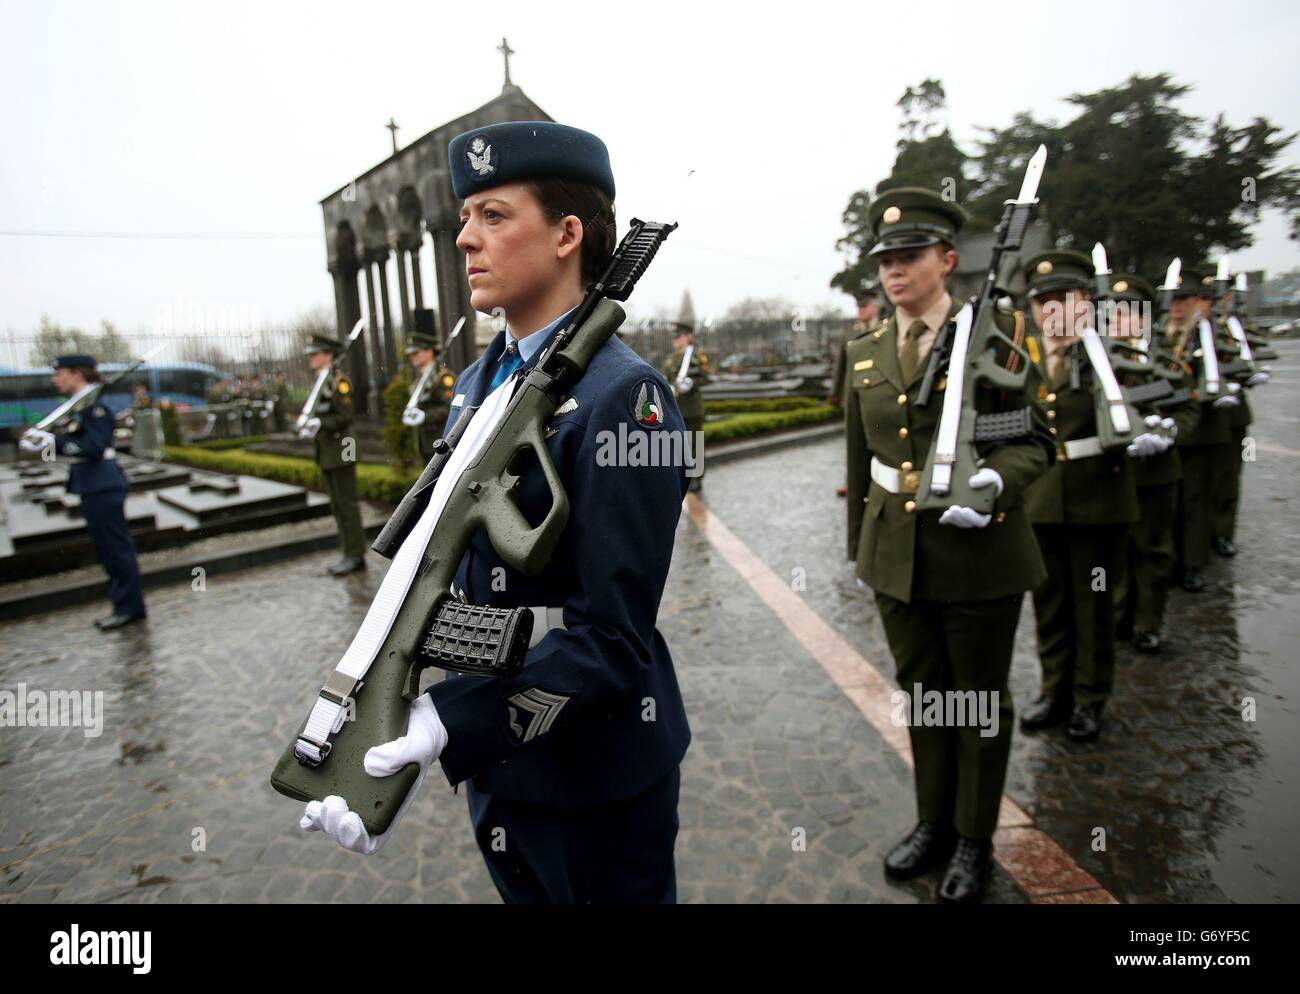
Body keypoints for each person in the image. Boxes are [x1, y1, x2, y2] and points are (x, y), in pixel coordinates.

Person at [298, 120, 692, 904]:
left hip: (595, 787)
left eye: (494, 216)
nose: (464, 240)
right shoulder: (481, 381)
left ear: (567, 234)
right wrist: (389, 744)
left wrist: (448, 721)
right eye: (463, 218)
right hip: (499, 772)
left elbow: (613, 642)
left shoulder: (627, 399)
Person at [844, 188, 1053, 902]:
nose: (894, 272)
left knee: (978, 702)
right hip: (895, 558)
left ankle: (973, 837)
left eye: (909, 257)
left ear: (947, 259)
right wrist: (860, 554)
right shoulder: (866, 348)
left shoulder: (996, 337)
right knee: (926, 697)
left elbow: (1036, 441)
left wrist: (991, 481)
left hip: (980, 556)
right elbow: (857, 461)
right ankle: (933, 821)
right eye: (885, 261)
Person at [1017, 250, 1173, 743]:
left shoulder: (1113, 353)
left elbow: (1160, 394)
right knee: (1051, 605)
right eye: (1043, 300)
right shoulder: (1023, 358)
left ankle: (1090, 697)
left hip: (1100, 501)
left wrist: (1158, 427)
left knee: (1095, 604)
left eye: (1063, 297)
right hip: (1042, 502)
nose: (1052, 309)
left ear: (1086, 301)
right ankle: (1054, 690)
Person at [1108, 273, 1200, 654]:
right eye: (1111, 313)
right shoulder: (1097, 357)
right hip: (1114, 472)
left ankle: (1148, 622)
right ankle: (1119, 616)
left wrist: (1169, 432)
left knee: (1152, 549)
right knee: (1116, 553)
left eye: (1126, 312)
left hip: (1156, 473)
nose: (1117, 320)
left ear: (1144, 317)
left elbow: (1189, 408)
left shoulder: (1166, 357)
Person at [20, 355, 146, 630]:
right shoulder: (80, 408)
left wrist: (52, 442)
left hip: (103, 484)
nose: (55, 379)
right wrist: (48, 443)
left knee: (116, 550)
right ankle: (124, 604)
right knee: (108, 549)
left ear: (77, 374)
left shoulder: (95, 408)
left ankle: (130, 607)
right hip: (94, 485)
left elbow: (93, 447)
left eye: (59, 373)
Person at [1166, 268, 1236, 592]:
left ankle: (1192, 563)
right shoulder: (1162, 335)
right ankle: (1171, 561)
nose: (1177, 307)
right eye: (1173, 300)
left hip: (1203, 430)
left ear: (1197, 302)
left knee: (1195, 501)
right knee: (1170, 505)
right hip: (1169, 431)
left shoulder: (1208, 335)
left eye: (1184, 300)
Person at [301, 334, 367, 575]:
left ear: (328, 354)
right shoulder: (320, 381)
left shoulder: (339, 381)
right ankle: (347, 552)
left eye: (315, 354)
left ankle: (356, 556)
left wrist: (319, 422)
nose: (311, 358)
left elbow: (345, 417)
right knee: (338, 506)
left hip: (341, 449)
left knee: (347, 505)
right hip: (328, 451)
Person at [832, 281, 883, 497]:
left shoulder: (887, 327)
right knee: (854, 441)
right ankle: (852, 481)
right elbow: (841, 366)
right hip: (856, 394)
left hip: (881, 393)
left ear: (875, 307)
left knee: (881, 437)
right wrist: (836, 393)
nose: (861, 311)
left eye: (865, 307)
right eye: (858, 308)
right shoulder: (849, 334)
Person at [403, 308, 456, 464]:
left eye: (417, 352)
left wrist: (425, 416)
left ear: (429, 351)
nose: (413, 357)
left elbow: (449, 408)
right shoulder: (421, 378)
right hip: (425, 442)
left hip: (439, 440)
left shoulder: (443, 378)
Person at [662, 321, 708, 492]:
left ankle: (696, 477)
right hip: (676, 406)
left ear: (688, 337)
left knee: (695, 443)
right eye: (674, 337)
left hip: (691, 407)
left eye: (679, 336)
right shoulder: (672, 357)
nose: (675, 340)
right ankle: (683, 476)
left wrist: (692, 383)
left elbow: (704, 377)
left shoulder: (695, 355)